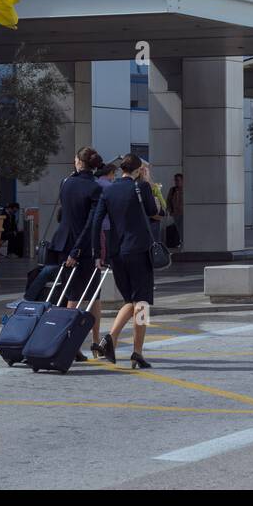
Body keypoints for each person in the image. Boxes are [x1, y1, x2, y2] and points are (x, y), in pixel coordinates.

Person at [90, 153, 161, 369]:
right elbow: (153, 211)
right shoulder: (142, 187)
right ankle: (136, 351)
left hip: (116, 253)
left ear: (122, 169)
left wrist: (96, 254)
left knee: (130, 300)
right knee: (142, 303)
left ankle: (109, 339)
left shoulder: (109, 190)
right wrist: (148, 182)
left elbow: (96, 222)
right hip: (139, 250)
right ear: (139, 170)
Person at [50, 148, 104, 361]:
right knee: (88, 297)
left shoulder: (66, 183)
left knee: (75, 295)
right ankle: (81, 343)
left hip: (65, 244)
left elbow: (65, 215)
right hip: (83, 247)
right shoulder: (95, 188)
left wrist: (73, 249)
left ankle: (81, 343)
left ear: (79, 163)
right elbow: (90, 225)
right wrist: (79, 249)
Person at [167, 172, 184, 246]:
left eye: (178, 180)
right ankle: (182, 242)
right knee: (179, 229)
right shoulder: (173, 190)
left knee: (184, 229)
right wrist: (170, 211)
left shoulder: (185, 189)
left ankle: (184, 242)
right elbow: (168, 201)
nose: (176, 182)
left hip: (184, 214)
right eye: (175, 180)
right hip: (176, 214)